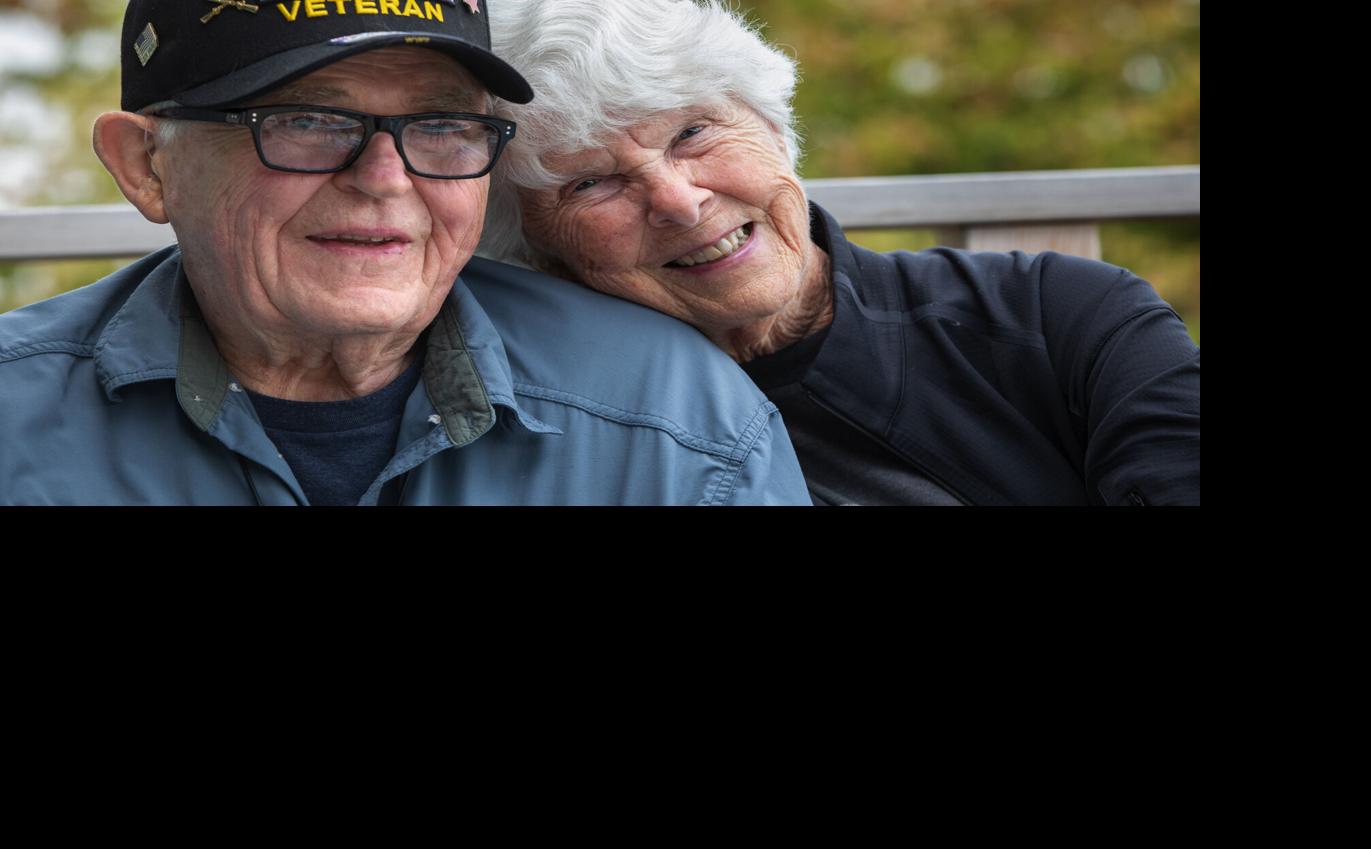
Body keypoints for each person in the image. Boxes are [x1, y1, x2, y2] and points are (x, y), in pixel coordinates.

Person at [0, 0, 809, 505]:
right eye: (308, 121)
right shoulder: (15, 421)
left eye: (442, 126)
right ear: (148, 167)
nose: (385, 180)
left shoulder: (669, 417)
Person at [479, 0, 1200, 506]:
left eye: (692, 132)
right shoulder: (546, 436)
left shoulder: (1063, 317)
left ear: (771, 124)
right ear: (536, 245)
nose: (677, 199)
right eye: (591, 182)